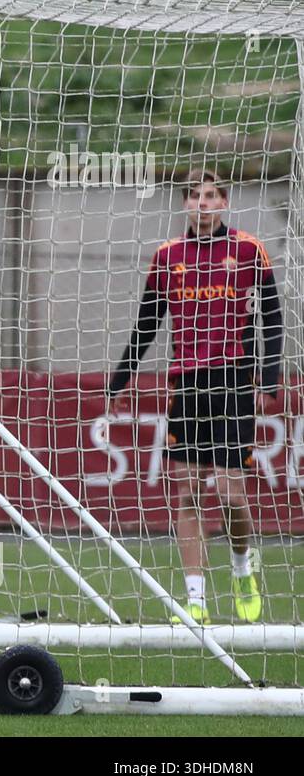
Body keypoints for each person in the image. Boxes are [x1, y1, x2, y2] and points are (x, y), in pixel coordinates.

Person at [108, 170, 282, 625]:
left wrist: (268, 377)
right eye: (193, 197)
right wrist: (120, 380)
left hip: (232, 383)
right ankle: (195, 599)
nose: (202, 204)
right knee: (187, 492)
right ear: (185, 204)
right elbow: (147, 324)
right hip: (186, 386)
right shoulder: (168, 257)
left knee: (229, 494)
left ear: (223, 202)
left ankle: (243, 567)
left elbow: (273, 316)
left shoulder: (248, 249)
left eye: (210, 196)